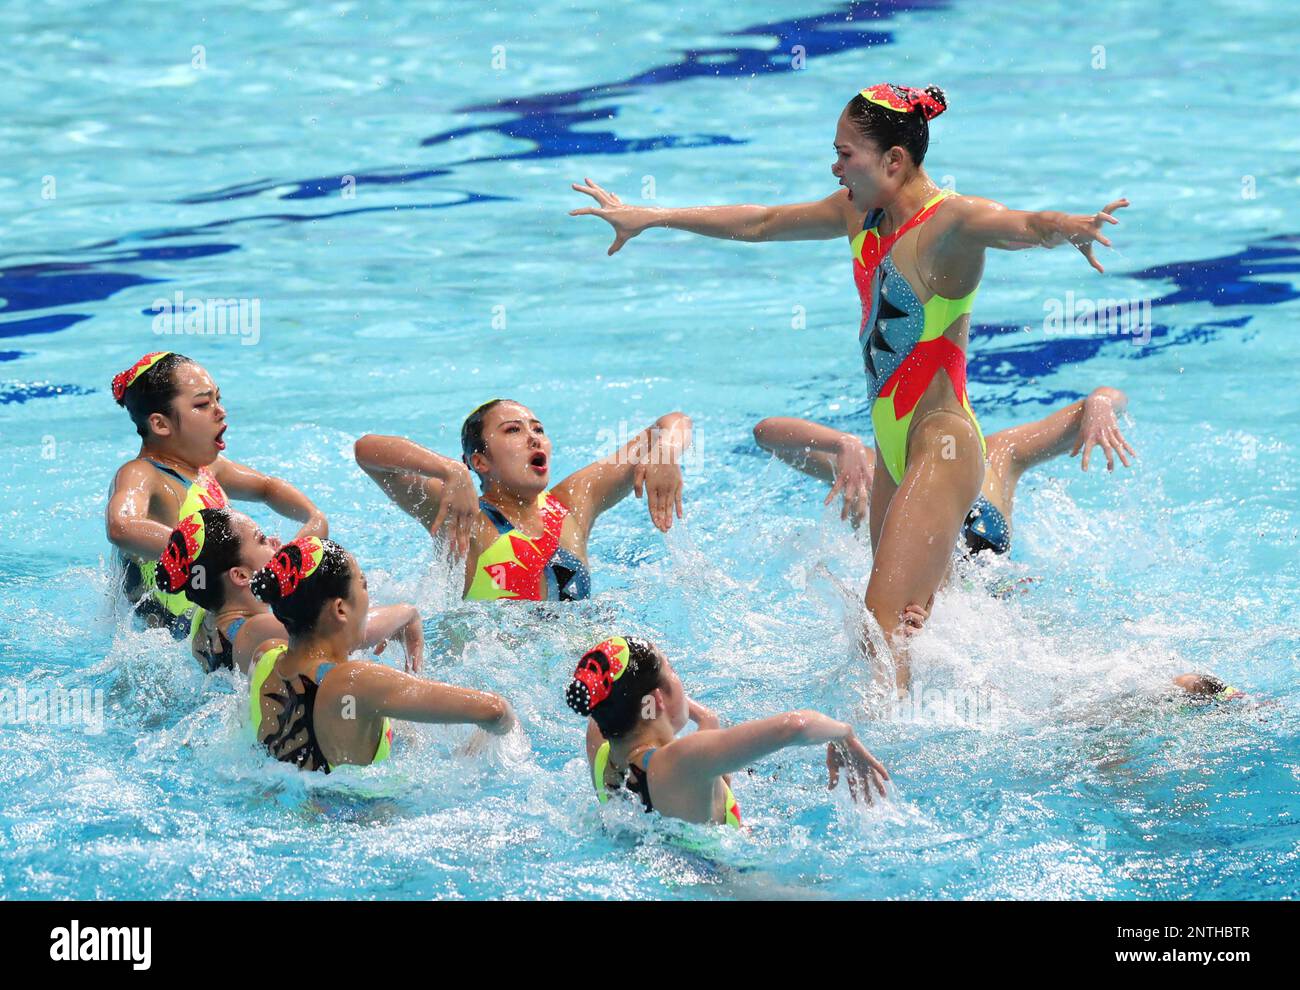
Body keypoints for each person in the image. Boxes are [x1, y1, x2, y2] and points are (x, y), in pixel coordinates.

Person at [571, 82, 1128, 686]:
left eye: (845, 154)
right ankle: (971, 714)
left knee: (877, 629)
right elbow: (762, 221)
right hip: (893, 447)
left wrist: (1064, 226)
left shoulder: (951, 223)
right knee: (906, 630)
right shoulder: (857, 213)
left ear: (894, 160)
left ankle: (885, 762)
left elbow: (1019, 222)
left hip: (940, 442)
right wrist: (654, 216)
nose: (835, 167)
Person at [355, 399, 692, 601]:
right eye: (513, 430)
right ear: (479, 462)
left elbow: (675, 421)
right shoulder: (465, 518)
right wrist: (448, 471)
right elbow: (367, 451)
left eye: (538, 429)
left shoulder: (574, 503)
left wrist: (665, 450)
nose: (534, 438)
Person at [105, 351, 327, 655]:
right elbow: (121, 526)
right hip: (179, 637)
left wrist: (312, 516)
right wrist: (206, 552)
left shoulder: (207, 469)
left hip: (220, 617)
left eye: (217, 400)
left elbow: (267, 487)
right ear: (160, 424)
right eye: (201, 404)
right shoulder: (143, 474)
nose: (220, 412)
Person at [754, 386, 1133, 555]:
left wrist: (1100, 402)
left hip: (993, 615)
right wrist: (841, 444)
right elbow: (766, 434)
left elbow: (1105, 400)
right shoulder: (879, 469)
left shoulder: (999, 456)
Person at [248, 537, 515, 772]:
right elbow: (494, 711)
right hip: (363, 820)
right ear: (340, 609)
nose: (368, 595)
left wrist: (408, 614)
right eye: (363, 585)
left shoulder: (265, 656)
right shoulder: (357, 682)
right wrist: (471, 753)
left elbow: (334, 641)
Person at [565, 635, 889, 827]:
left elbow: (612, 697)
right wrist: (844, 735)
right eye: (673, 670)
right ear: (655, 701)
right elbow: (796, 726)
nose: (680, 680)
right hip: (727, 884)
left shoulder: (599, 742)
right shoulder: (679, 762)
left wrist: (696, 713)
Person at [155, 507, 425, 674]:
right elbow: (347, 632)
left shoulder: (206, 619)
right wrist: (407, 613)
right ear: (239, 575)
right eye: (262, 540)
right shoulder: (255, 628)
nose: (274, 541)